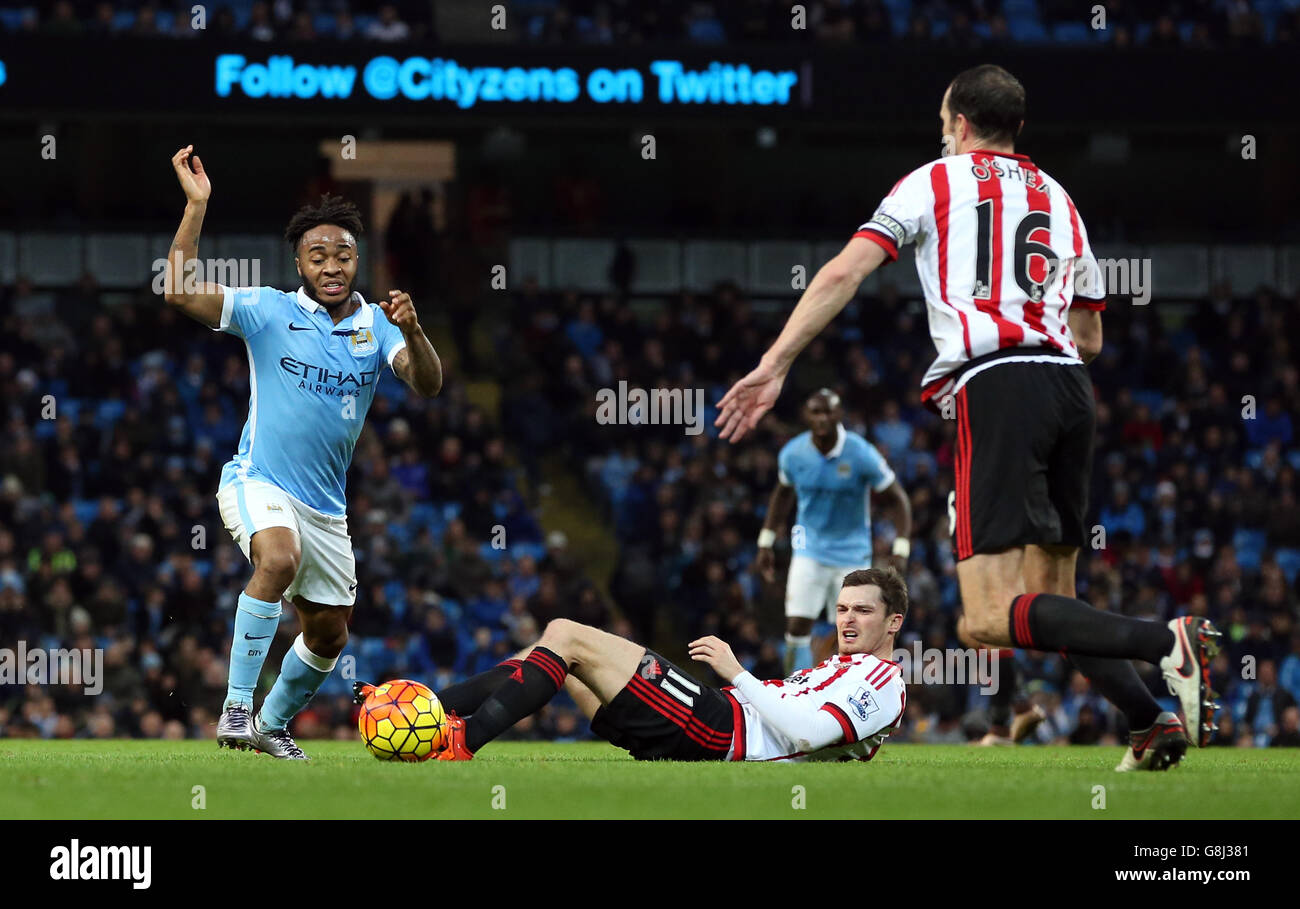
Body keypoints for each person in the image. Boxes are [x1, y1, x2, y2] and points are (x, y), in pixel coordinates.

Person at [712, 65, 1219, 771]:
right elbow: (1093, 337)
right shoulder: (1060, 198)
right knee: (1053, 602)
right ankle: (1148, 720)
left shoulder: (932, 180)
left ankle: (1167, 644)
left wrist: (774, 363)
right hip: (1071, 388)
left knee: (984, 619)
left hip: (997, 385)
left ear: (959, 124)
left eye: (942, 123)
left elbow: (841, 272)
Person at [164, 145, 443, 759]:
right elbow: (179, 292)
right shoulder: (268, 310)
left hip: (325, 507)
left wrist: (417, 332)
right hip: (256, 480)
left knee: (328, 630)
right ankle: (236, 709)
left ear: (357, 259)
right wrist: (196, 206)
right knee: (278, 558)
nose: (332, 264)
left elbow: (426, 383)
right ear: (299, 262)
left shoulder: (380, 326)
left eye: (343, 253)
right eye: (318, 255)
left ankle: (270, 723)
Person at [419, 567, 909, 763]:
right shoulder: (843, 666)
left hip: (719, 729)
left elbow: (806, 733)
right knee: (551, 649)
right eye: (843, 608)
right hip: (712, 721)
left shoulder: (881, 682)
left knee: (566, 634)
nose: (848, 619)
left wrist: (737, 672)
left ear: (893, 623)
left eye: (863, 611)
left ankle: (460, 741)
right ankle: (427, 711)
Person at [754, 388, 910, 674]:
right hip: (808, 549)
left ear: (840, 415)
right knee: (797, 623)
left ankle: (857, 688)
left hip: (852, 554)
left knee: (858, 626)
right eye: (816, 411)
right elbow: (782, 494)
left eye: (829, 411)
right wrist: (765, 541)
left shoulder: (862, 454)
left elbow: (898, 498)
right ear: (806, 415)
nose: (823, 418)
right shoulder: (793, 454)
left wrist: (901, 547)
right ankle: (795, 688)